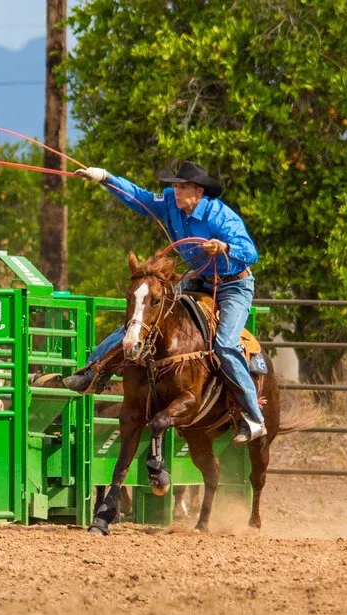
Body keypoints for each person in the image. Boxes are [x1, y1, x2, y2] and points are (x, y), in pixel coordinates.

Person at [64, 161, 268, 443]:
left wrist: (224, 246)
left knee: (224, 344)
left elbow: (250, 252)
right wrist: (105, 178)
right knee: (144, 315)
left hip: (233, 285)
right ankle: (93, 370)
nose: (175, 191)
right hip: (199, 279)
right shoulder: (170, 204)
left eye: (182, 187)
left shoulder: (221, 217)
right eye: (175, 185)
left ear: (197, 192)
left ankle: (253, 416)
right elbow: (139, 198)